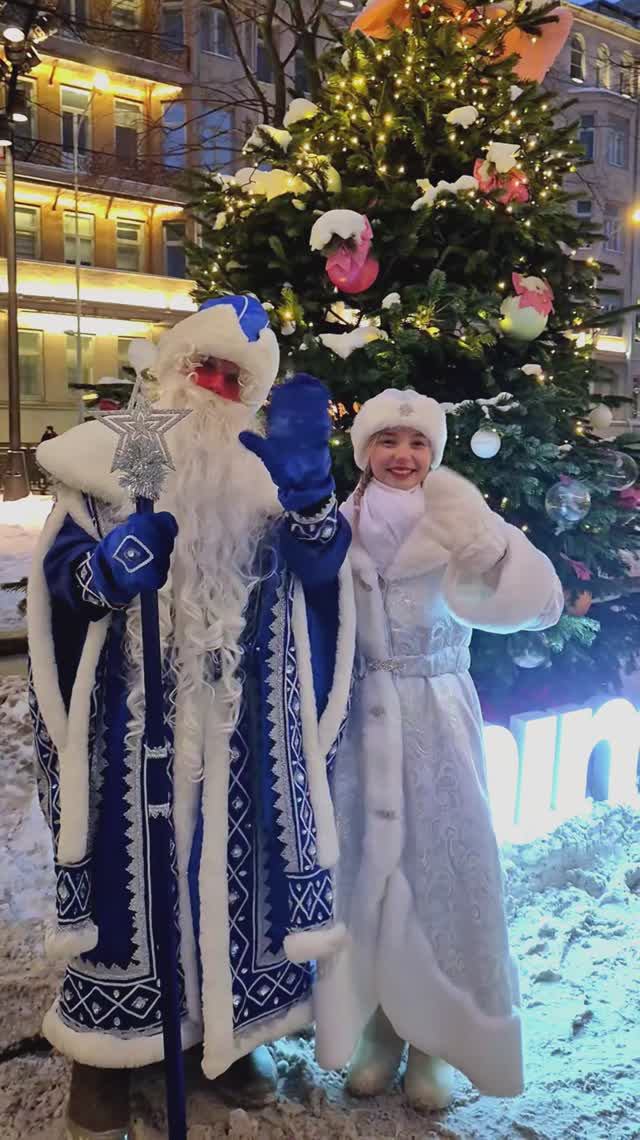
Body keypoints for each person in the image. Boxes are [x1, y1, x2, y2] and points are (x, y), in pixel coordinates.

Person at [27, 296, 354, 1138]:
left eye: (234, 381)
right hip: (129, 730)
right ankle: (106, 1051)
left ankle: (228, 1033)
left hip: (242, 731)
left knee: (237, 879)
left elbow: (323, 580)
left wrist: (314, 502)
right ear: (168, 373)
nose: (213, 391)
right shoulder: (104, 463)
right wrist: (104, 572)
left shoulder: (269, 479)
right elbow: (60, 580)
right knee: (127, 884)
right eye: (203, 370)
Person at [313, 387, 563, 1110]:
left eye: (418, 443)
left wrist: (491, 553)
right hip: (359, 716)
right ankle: (381, 1028)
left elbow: (540, 604)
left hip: (439, 715)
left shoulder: (464, 519)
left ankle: (438, 1041)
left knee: (445, 873)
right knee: (365, 871)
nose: (403, 456)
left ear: (435, 453)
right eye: (387, 442)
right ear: (364, 451)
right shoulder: (335, 524)